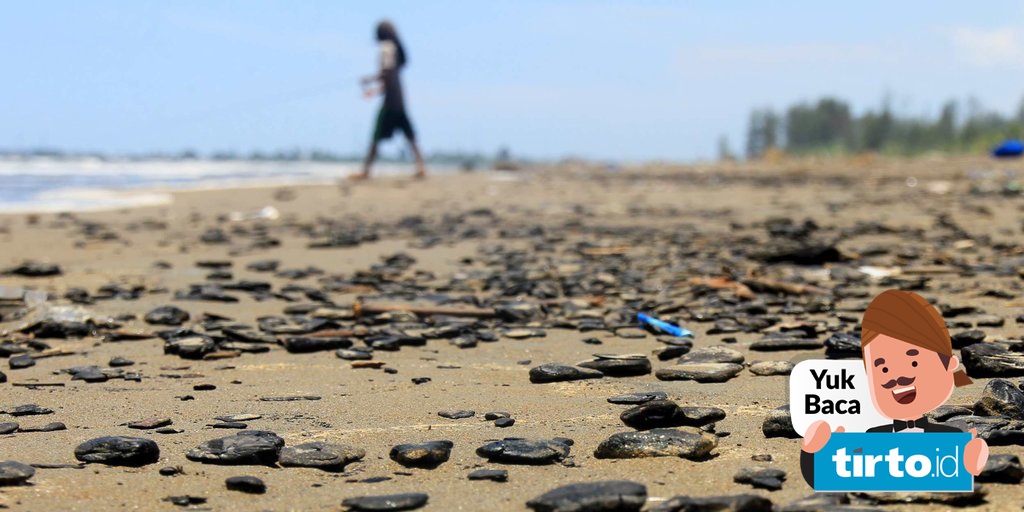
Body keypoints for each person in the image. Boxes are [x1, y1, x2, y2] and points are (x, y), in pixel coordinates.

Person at [799, 290, 989, 487]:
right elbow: (834, 474)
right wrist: (814, 453)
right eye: (883, 368)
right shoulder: (873, 437)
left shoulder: (951, 438)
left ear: (949, 365)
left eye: (913, 362)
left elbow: (962, 476)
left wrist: (972, 464)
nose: (897, 377)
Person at [354, 20, 425, 180]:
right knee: (410, 135)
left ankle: (366, 170)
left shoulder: (386, 48)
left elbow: (386, 73)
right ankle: (421, 166)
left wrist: (370, 81)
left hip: (390, 101)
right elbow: (391, 76)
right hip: (399, 99)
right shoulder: (397, 51)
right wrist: (376, 89)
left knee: (376, 136)